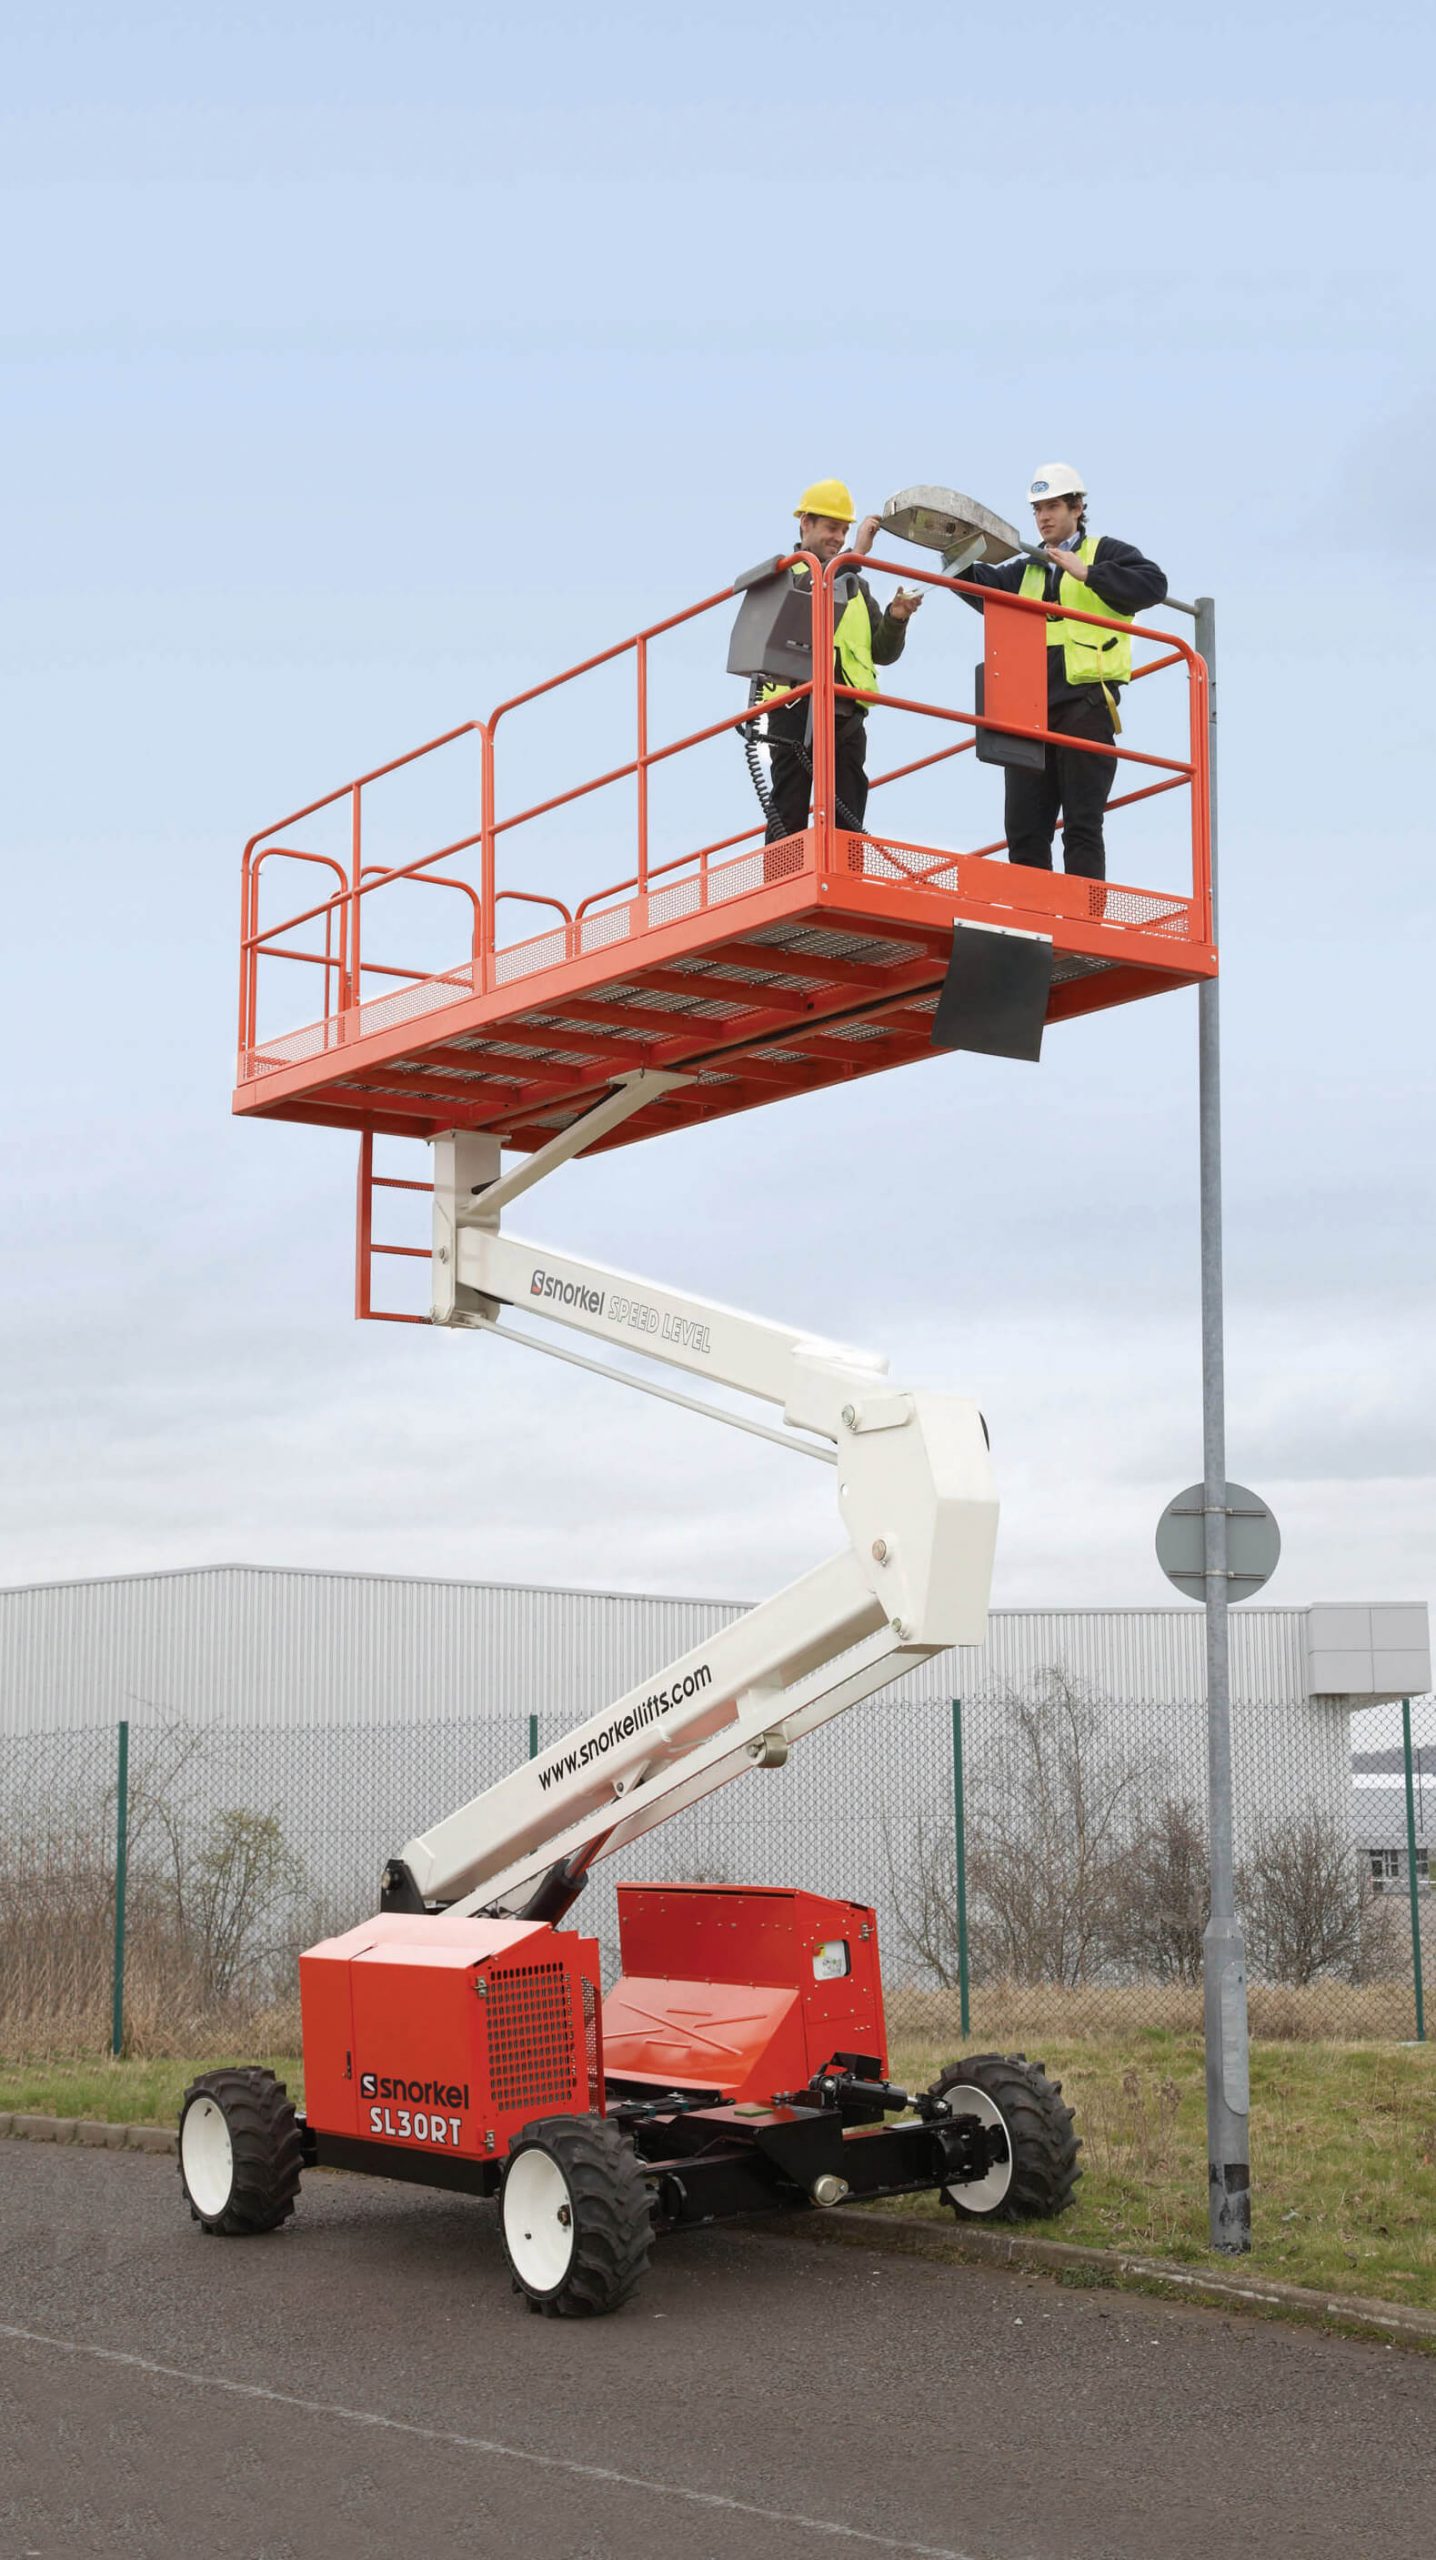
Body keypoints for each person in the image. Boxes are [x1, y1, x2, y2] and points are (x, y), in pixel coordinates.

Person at [958, 464, 1167, 881]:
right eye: (1037, 509)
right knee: (1023, 829)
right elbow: (985, 589)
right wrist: (950, 550)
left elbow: (1153, 585)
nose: (1043, 517)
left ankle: (1084, 925)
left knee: (1081, 823)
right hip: (1028, 711)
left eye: (1052, 506)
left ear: (1077, 507)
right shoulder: (1029, 567)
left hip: (1085, 705)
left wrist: (1087, 573)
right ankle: (1031, 925)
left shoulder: (1105, 552)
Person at [762, 479, 922, 845]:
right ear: (805, 523)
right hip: (793, 706)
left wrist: (897, 618)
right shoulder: (786, 573)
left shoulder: (856, 586)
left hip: (846, 714)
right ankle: (779, 887)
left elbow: (882, 652)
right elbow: (809, 598)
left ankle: (847, 878)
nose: (838, 536)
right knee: (788, 806)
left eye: (844, 530)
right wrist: (855, 557)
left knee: (848, 810)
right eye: (832, 528)